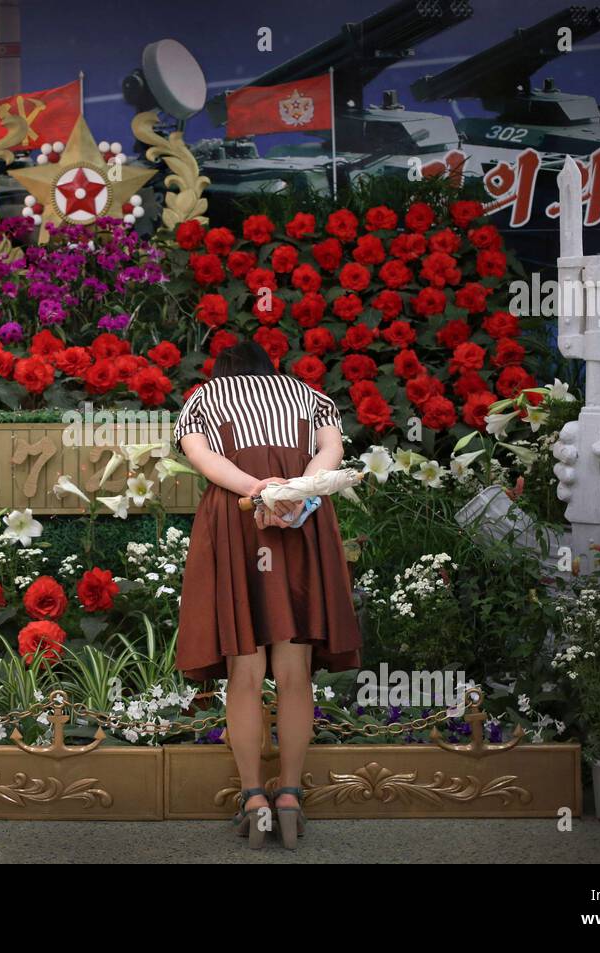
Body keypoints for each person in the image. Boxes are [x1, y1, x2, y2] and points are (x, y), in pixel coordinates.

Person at [172, 341, 361, 849]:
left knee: (245, 671)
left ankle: (254, 796)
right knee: (295, 671)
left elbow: (203, 457)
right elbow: (332, 452)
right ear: (270, 369)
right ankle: (292, 797)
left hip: (237, 526)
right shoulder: (308, 395)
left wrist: (258, 492)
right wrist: (293, 491)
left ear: (222, 370)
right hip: (302, 523)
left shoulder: (204, 397)